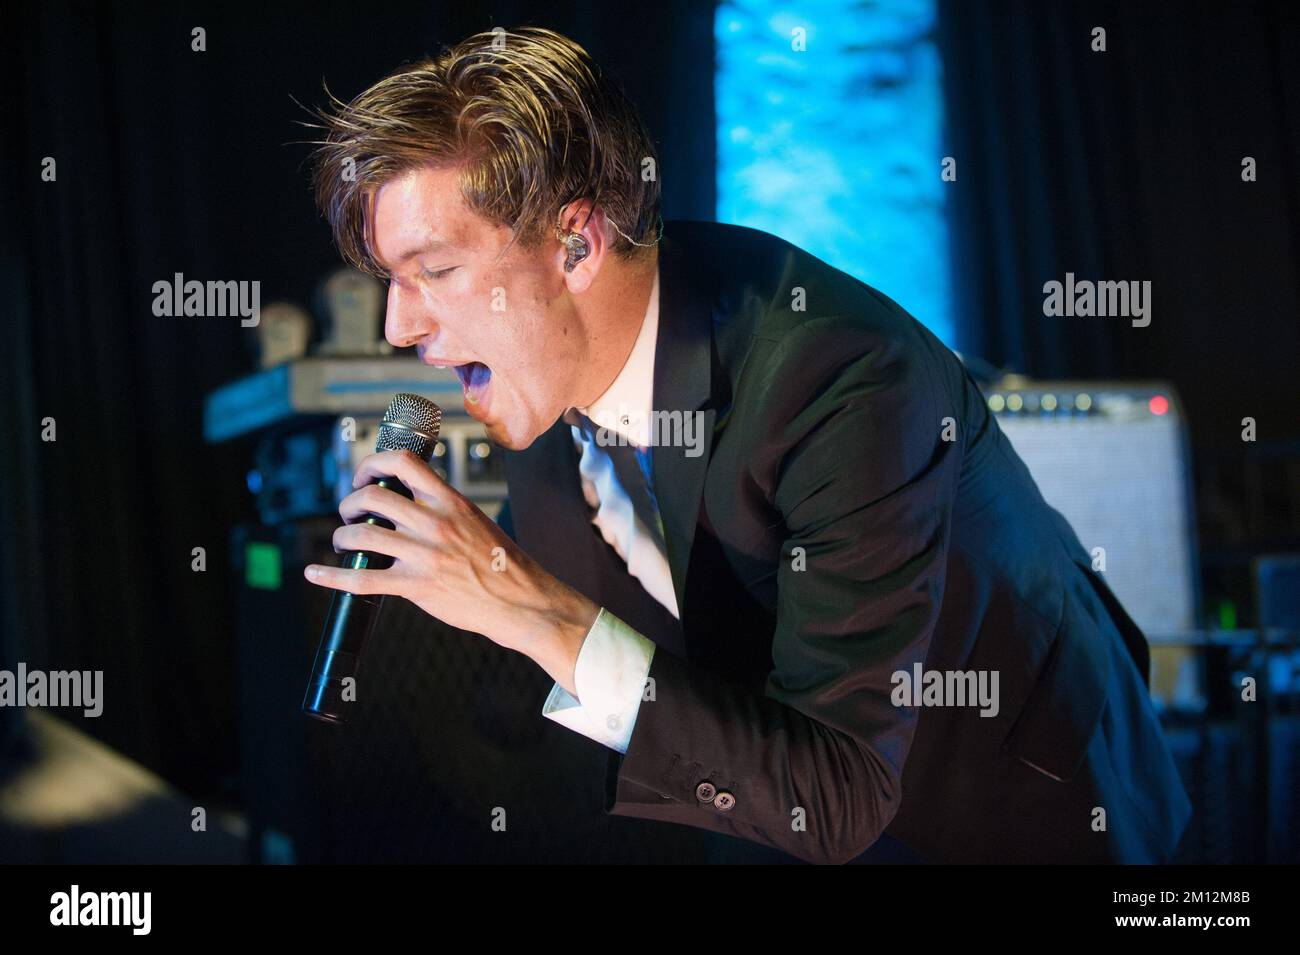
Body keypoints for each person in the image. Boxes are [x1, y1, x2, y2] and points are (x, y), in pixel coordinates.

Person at [304, 26, 1191, 863]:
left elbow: (837, 789)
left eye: (438, 271)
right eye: (391, 279)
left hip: (1010, 799)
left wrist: (524, 603)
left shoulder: (840, 376)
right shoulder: (535, 392)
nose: (399, 323)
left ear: (575, 242)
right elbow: (664, 701)